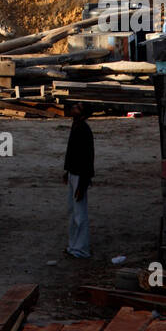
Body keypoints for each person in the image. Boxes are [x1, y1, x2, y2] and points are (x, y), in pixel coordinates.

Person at [63, 101, 94, 258]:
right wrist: (67, 171)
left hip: (80, 176)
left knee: (80, 214)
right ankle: (73, 246)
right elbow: (71, 152)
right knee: (72, 211)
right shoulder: (76, 126)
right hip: (73, 173)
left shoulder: (83, 130)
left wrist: (83, 183)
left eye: (78, 107)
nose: (73, 107)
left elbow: (87, 158)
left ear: (82, 114)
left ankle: (81, 249)